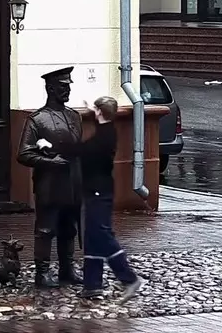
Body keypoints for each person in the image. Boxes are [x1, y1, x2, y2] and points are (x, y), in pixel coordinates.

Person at [45, 96, 143, 304]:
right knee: (91, 237)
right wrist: (93, 110)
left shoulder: (101, 141)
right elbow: (101, 125)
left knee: (101, 234)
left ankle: (129, 278)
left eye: (97, 110)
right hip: (98, 190)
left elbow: (77, 150)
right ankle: (92, 285)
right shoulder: (109, 131)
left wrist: (48, 144)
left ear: (100, 112)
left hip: (99, 191)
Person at [16, 66, 84, 288]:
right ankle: (42, 273)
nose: (67, 91)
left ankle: (67, 270)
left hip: (72, 182)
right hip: (50, 184)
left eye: (68, 86)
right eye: (63, 87)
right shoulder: (37, 120)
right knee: (45, 229)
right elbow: (24, 153)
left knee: (69, 228)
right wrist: (49, 162)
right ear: (51, 88)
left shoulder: (74, 117)